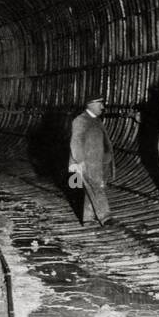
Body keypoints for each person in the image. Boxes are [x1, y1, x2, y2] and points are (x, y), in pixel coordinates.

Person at [69, 94, 114, 225]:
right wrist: (80, 161)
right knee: (96, 187)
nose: (103, 107)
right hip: (85, 162)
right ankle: (105, 216)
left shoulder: (96, 120)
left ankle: (88, 218)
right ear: (90, 104)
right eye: (100, 104)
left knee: (91, 188)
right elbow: (75, 142)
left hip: (97, 161)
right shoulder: (80, 120)